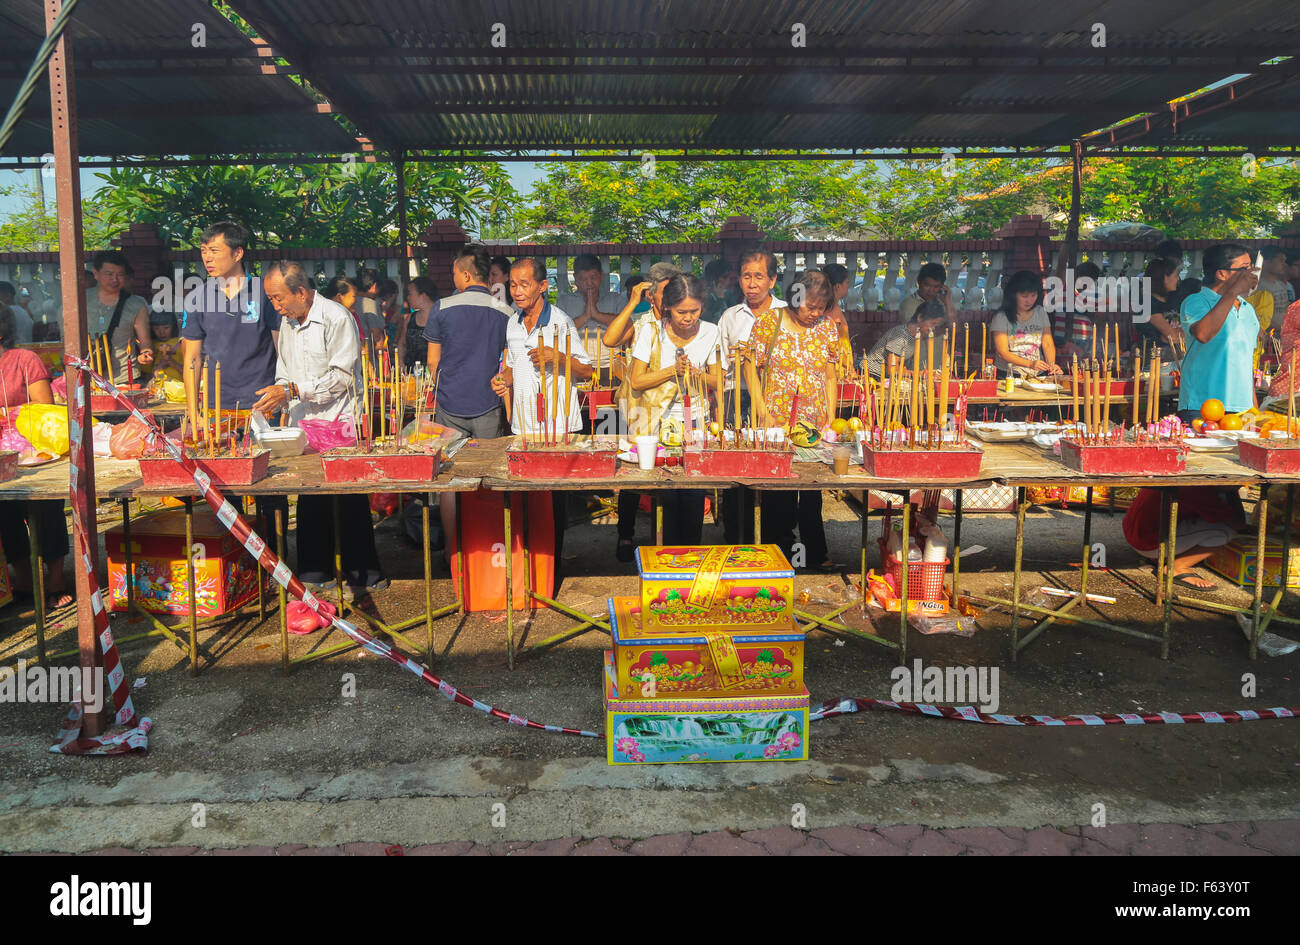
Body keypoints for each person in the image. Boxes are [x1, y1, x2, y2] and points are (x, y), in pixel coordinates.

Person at [254, 260, 385, 599]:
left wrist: (294, 390)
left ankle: (364, 572)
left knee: (349, 500)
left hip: (340, 421)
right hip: (303, 424)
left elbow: (342, 377)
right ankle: (315, 570)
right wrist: (278, 394)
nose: (276, 306)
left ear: (301, 292)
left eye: (278, 298)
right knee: (309, 498)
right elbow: (284, 370)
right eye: (270, 299)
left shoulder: (336, 317)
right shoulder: (287, 322)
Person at [181, 220, 286, 550]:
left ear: (238, 253)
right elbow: (192, 357)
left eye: (215, 251)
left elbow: (281, 346)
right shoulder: (198, 297)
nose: (207, 258)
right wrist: (193, 411)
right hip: (217, 407)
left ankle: (278, 558)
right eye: (203, 251)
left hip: (262, 405)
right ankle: (238, 561)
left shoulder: (264, 291)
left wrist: (284, 396)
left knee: (270, 488)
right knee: (225, 490)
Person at [491, 258, 593, 561]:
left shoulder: (560, 321)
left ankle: (553, 564)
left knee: (553, 502)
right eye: (512, 284)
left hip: (557, 423)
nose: (517, 291)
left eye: (524, 284)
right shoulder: (512, 321)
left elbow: (586, 371)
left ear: (542, 286)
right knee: (525, 498)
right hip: (523, 423)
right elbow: (510, 366)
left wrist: (556, 356)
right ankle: (529, 561)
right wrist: (502, 380)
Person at [745, 270, 840, 571]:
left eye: (821, 307)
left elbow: (829, 374)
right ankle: (780, 554)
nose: (815, 313)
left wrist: (832, 416)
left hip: (813, 420)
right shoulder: (768, 323)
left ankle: (815, 552)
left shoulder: (827, 328)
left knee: (813, 488)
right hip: (776, 420)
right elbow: (750, 368)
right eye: (810, 306)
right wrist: (762, 411)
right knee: (779, 489)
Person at [627, 274, 721, 545]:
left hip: (696, 423)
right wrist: (671, 371)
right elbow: (637, 380)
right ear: (667, 307)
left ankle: (690, 559)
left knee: (693, 492)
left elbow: (718, 381)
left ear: (702, 305)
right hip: (658, 422)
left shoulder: (711, 332)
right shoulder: (651, 332)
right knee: (665, 492)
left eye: (694, 311)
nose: (688, 318)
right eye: (681, 312)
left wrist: (694, 374)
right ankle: (666, 559)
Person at [599, 262, 680, 561]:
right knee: (634, 475)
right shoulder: (641, 321)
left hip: (671, 407)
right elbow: (609, 340)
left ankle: (668, 538)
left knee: (671, 469)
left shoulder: (681, 321)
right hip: (638, 407)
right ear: (651, 295)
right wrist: (632, 302)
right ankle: (626, 534)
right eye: (666, 292)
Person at [714, 251, 786, 546]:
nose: (752, 284)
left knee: (774, 469)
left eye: (759, 276)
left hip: (774, 398)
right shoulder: (730, 316)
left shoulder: (785, 314)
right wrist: (735, 359)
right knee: (736, 470)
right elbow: (717, 365)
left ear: (772, 280)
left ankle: (776, 540)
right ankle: (736, 539)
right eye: (746, 276)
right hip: (737, 397)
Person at [0, 307, 71, 610]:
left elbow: (45, 408)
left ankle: (55, 580)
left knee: (45, 509)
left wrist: (9, 414)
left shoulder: (24, 360)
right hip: (2, 460)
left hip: (33, 452)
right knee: (6, 515)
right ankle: (25, 582)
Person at [1177, 243, 1259, 422]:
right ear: (1221, 274)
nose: (1251, 274)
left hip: (1243, 409)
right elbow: (1203, 334)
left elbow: (1245, 363)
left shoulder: (1248, 309)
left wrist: (1254, 410)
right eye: (1245, 268)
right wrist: (1233, 291)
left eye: (1252, 268)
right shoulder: (1196, 301)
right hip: (1202, 407)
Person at [1122, 486, 1242, 591]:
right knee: (1225, 531)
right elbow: (1236, 523)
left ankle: (1163, 557)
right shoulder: (1200, 489)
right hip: (1148, 542)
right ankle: (1177, 567)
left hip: (1135, 532)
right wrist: (1232, 494)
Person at [86, 250, 153, 384]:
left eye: (120, 274)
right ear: (96, 273)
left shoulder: (136, 305)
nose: (115, 279)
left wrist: (146, 354)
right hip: (88, 379)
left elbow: (145, 341)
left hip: (124, 379)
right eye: (109, 274)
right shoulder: (79, 301)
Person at [990, 270, 1062, 379]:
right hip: (1009, 375)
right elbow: (1002, 352)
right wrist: (1030, 364)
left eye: (1033, 295)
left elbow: (1047, 343)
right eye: (1024, 296)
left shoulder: (1040, 312)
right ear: (1013, 295)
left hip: (1038, 374)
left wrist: (1051, 365)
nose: (1029, 300)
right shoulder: (1001, 317)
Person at [864, 299, 947, 378]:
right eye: (933, 323)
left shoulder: (916, 337)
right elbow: (892, 370)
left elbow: (902, 368)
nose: (934, 328)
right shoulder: (900, 336)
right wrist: (918, 374)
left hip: (885, 377)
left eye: (936, 325)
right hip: (871, 375)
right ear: (920, 318)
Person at [1135, 257, 1186, 351]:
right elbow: (1173, 337)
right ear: (1165, 278)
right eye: (1175, 276)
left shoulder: (1174, 299)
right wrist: (1181, 333)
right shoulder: (1147, 304)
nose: (1178, 279)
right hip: (1155, 360)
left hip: (1177, 358)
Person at [399, 276, 437, 372]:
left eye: (410, 294)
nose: (408, 297)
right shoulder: (410, 319)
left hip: (435, 375)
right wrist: (400, 361)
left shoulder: (441, 318)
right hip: (411, 375)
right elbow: (402, 343)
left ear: (423, 295)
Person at [354, 268, 387, 345]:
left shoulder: (350, 301)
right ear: (374, 286)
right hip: (367, 352)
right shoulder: (370, 304)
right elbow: (377, 335)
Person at [702, 258, 739, 324]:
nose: (729, 280)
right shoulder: (706, 297)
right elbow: (707, 319)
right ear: (715, 279)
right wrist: (719, 299)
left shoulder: (729, 294)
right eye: (725, 277)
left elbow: (736, 316)